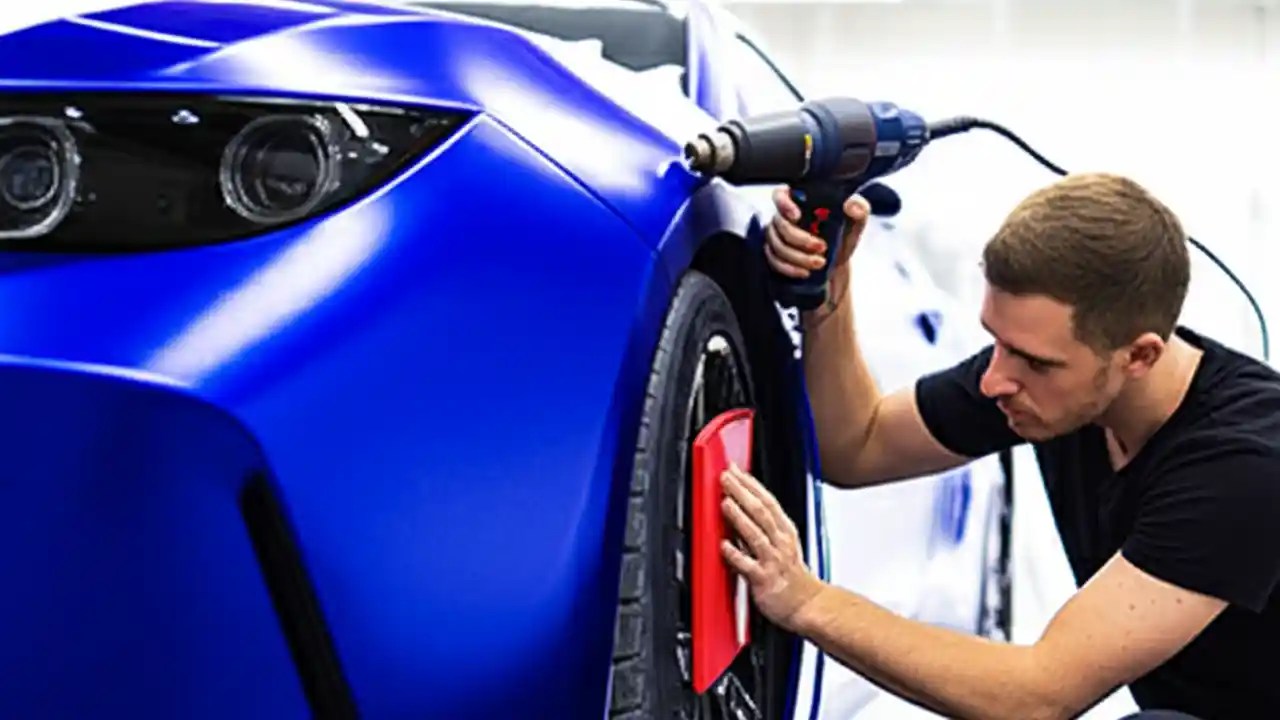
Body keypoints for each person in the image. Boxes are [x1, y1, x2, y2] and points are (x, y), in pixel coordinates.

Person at [718, 172, 1280, 720]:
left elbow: (1034, 697)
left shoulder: (1244, 469)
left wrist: (809, 602)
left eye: (1034, 361)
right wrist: (828, 284)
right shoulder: (1051, 382)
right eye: (996, 342)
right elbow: (855, 444)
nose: (993, 382)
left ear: (1139, 357)